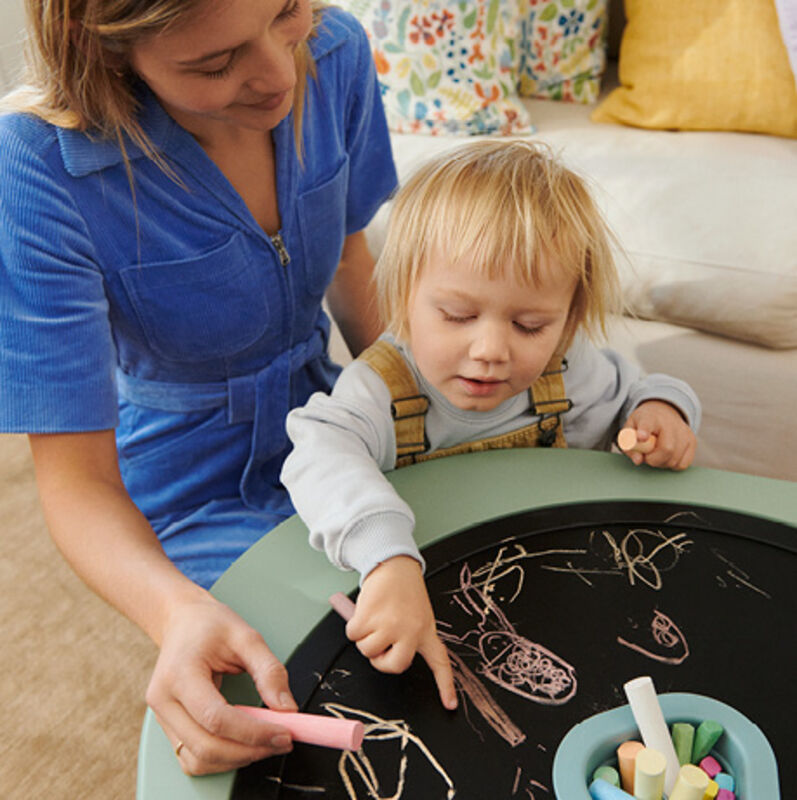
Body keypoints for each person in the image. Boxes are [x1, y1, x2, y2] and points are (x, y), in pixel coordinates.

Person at [0, 0, 397, 776]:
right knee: (323, 683)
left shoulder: (337, 47)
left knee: (438, 588)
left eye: (286, 11)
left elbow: (352, 261)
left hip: (332, 415)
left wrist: (421, 416)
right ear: (100, 45)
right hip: (189, 481)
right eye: (214, 64)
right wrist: (176, 611)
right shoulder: (35, 169)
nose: (281, 74)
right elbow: (76, 483)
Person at [281, 140, 701, 712]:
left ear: (570, 323)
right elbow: (317, 450)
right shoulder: (383, 387)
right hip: (412, 598)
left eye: (530, 325)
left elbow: (639, 392)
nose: (490, 350)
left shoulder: (568, 370)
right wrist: (385, 557)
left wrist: (662, 413)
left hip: (539, 587)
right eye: (456, 316)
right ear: (403, 296)